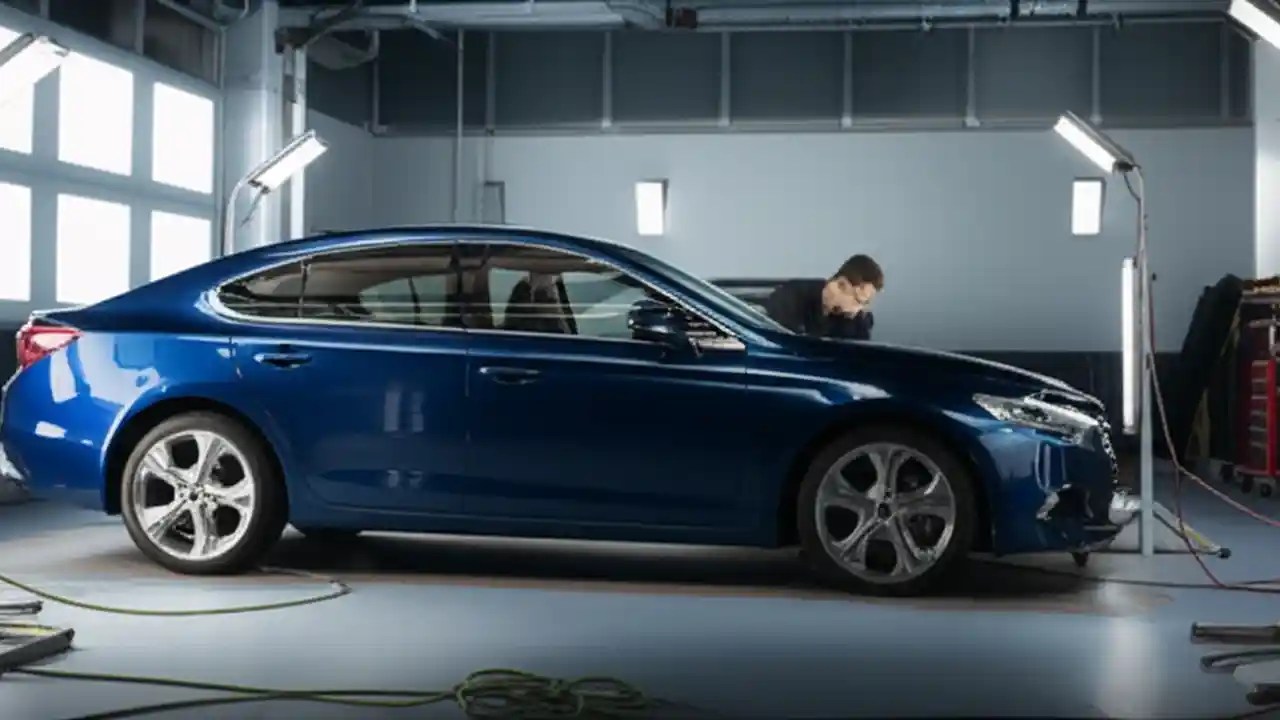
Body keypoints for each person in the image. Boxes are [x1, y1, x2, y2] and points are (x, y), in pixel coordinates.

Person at [763, 254, 883, 340]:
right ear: (842, 284)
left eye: (866, 303)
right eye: (858, 300)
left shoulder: (858, 320)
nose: (858, 309)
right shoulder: (790, 297)